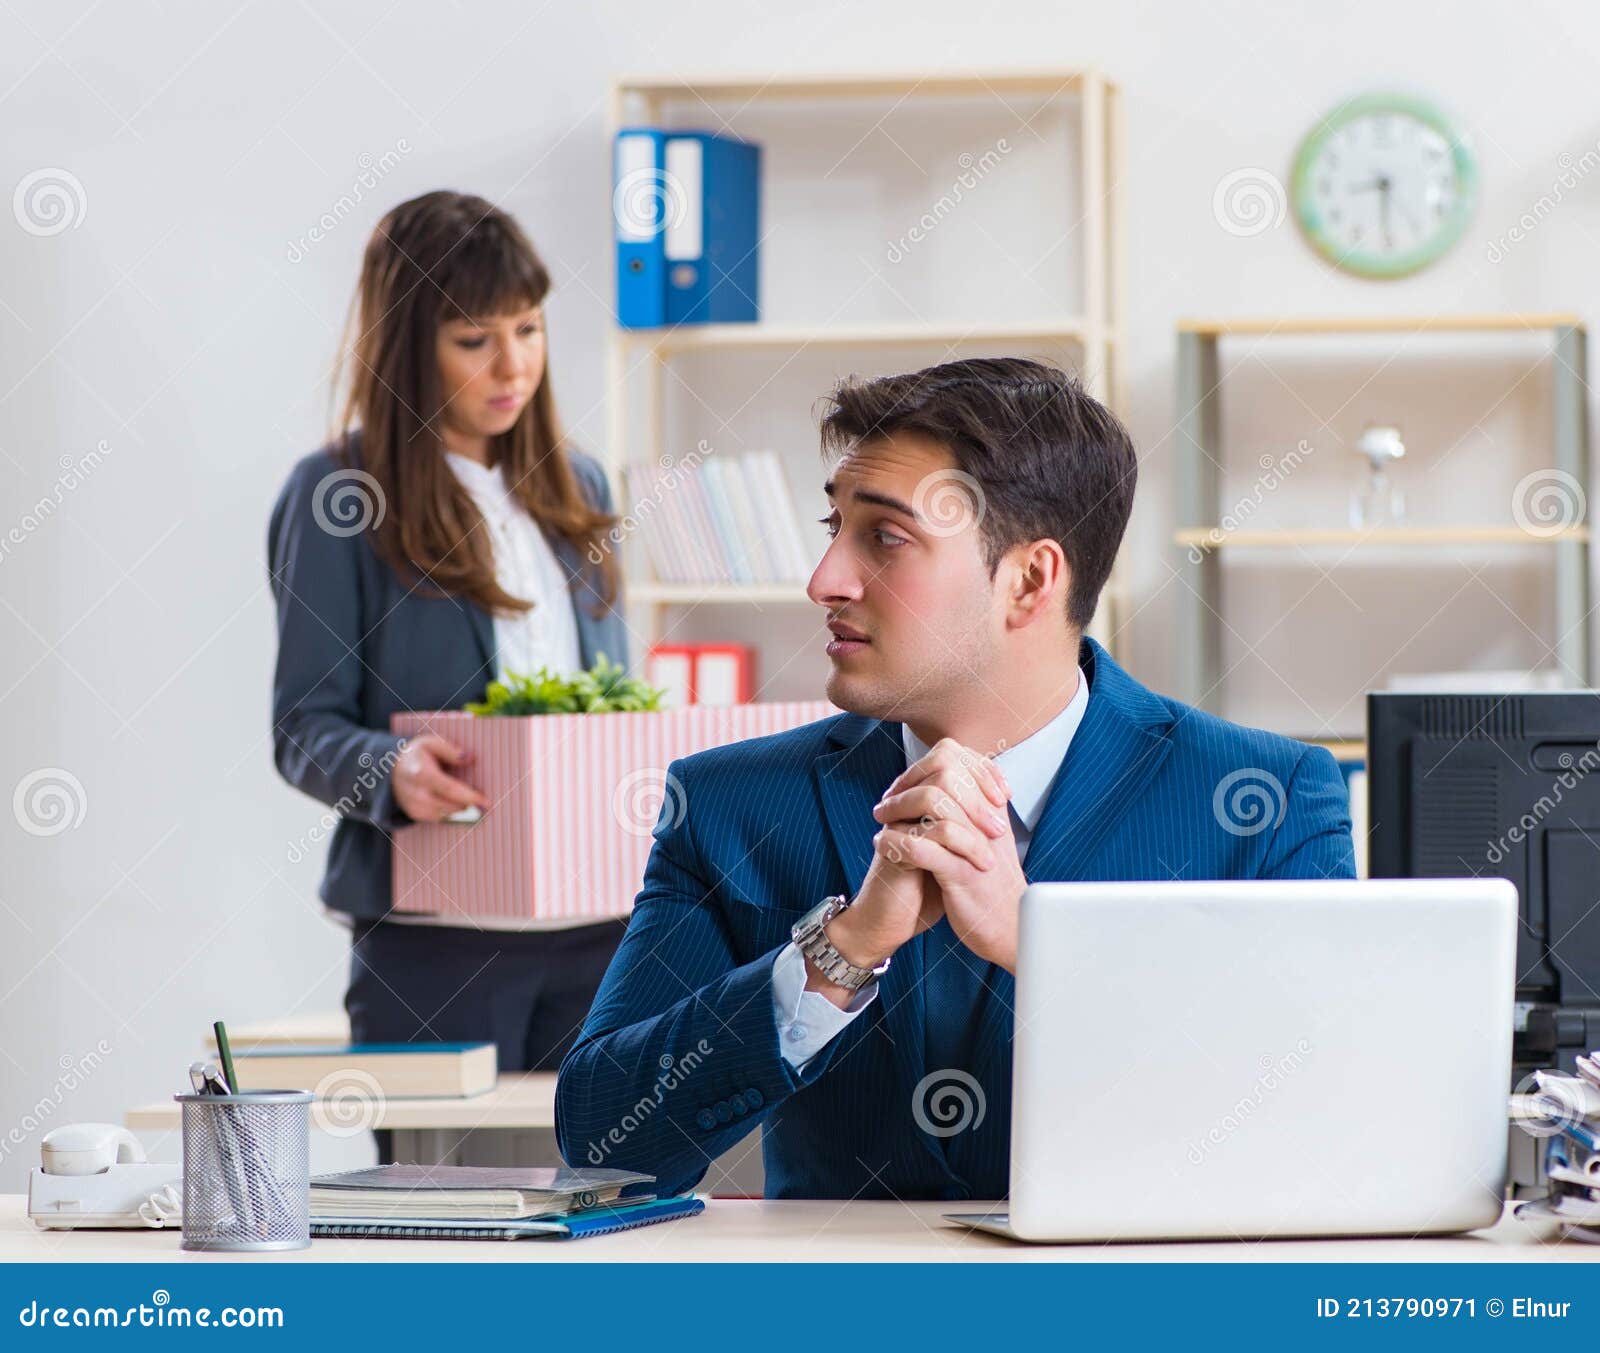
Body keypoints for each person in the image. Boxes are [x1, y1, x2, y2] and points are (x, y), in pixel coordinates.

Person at [554, 356, 1354, 1201]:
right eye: (836, 527)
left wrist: (1042, 947)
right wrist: (842, 952)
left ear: (1030, 580)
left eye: (885, 538)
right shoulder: (728, 805)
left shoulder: (1264, 803)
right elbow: (609, 1145)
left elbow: (1325, 1125)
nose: (824, 579)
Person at [268, 191, 630, 1158]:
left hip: (599, 931)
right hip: (437, 939)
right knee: (444, 1217)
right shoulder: (338, 495)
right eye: (475, 339)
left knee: (598, 1209)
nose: (513, 365)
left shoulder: (579, 489)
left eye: (529, 328)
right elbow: (303, 726)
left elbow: (610, 702)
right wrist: (390, 772)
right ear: (409, 345)